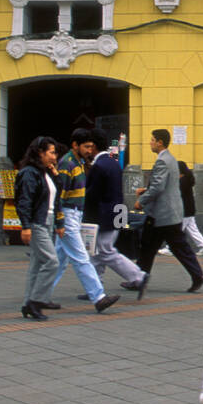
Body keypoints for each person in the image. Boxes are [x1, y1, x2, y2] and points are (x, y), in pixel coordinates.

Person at [51, 129, 119, 312]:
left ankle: (39, 295)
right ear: (75, 145)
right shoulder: (67, 164)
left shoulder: (79, 162)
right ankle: (98, 297)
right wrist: (60, 221)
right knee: (81, 257)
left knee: (59, 260)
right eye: (86, 147)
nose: (90, 150)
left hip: (74, 215)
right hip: (67, 216)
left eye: (91, 147)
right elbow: (59, 196)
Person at [134, 129, 203, 293]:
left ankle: (138, 278)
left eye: (152, 140)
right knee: (155, 246)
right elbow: (165, 185)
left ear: (160, 142)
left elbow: (158, 187)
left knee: (150, 246)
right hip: (170, 213)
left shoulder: (162, 161)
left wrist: (141, 201)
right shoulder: (171, 159)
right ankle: (138, 278)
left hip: (161, 214)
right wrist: (145, 190)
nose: (150, 143)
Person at [85, 128, 149, 296]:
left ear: (93, 147)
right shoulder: (112, 162)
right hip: (115, 213)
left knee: (105, 250)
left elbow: (92, 195)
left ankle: (138, 276)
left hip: (103, 215)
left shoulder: (99, 166)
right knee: (97, 252)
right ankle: (95, 286)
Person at [13, 136, 64, 320]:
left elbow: (56, 197)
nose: (54, 156)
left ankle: (28, 303)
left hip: (47, 221)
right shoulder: (29, 173)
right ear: (39, 152)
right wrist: (25, 226)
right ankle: (37, 301)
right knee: (52, 262)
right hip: (37, 222)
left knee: (37, 264)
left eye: (55, 152)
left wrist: (59, 223)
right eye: (51, 152)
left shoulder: (45, 172)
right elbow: (24, 201)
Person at [177, 160, 203, 256]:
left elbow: (177, 194)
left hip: (184, 210)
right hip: (189, 209)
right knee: (192, 229)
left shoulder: (182, 181)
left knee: (177, 229)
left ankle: (170, 247)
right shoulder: (187, 179)